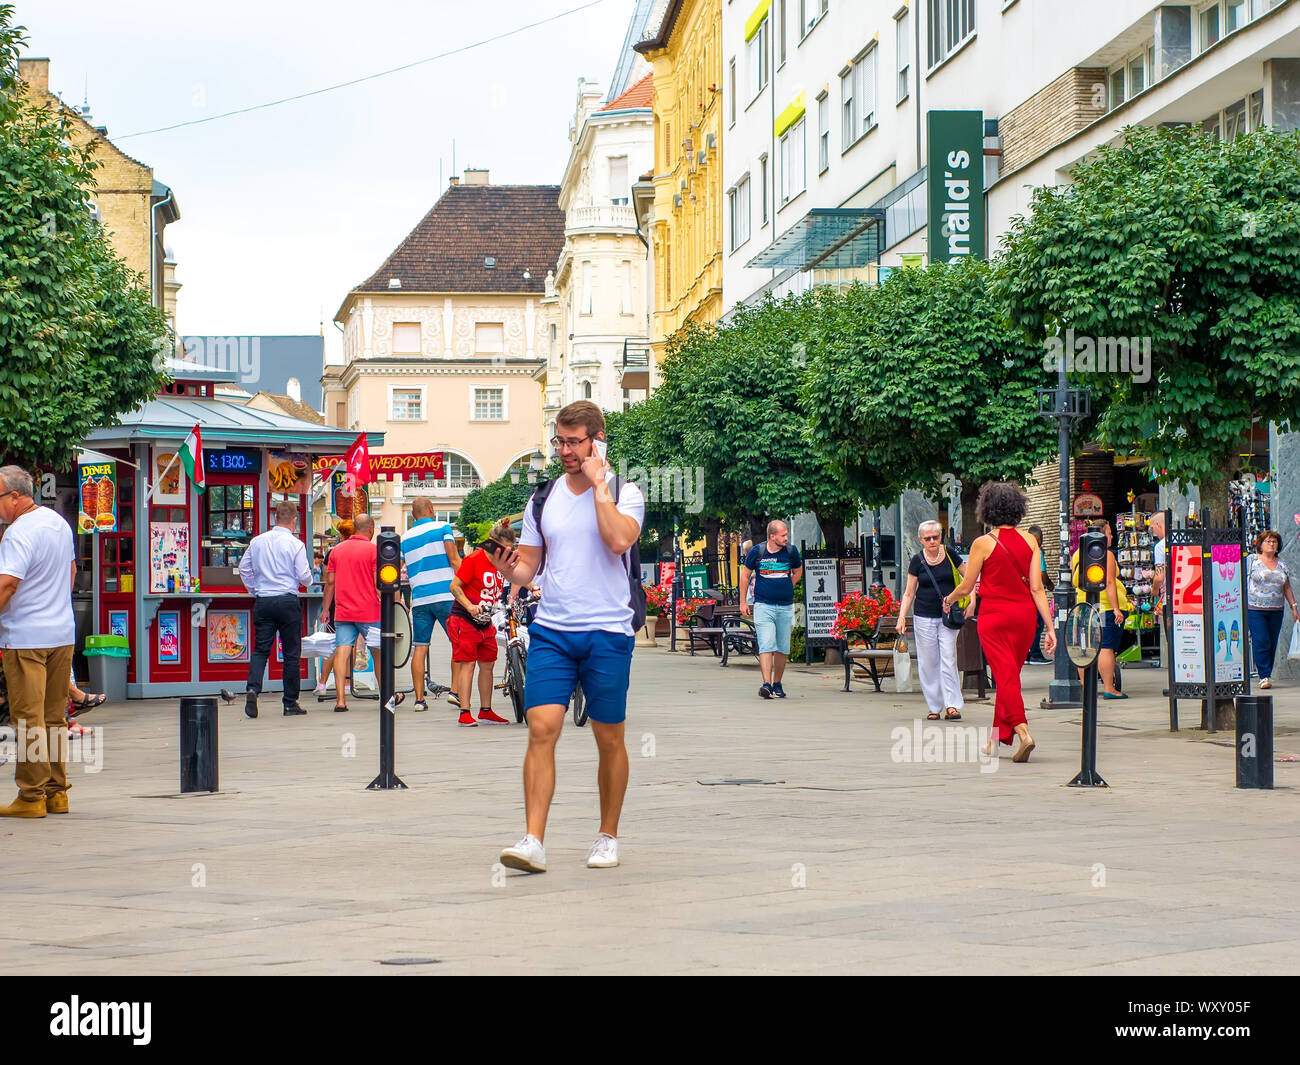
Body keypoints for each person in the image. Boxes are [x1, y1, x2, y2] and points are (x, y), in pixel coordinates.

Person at [493, 400, 646, 873]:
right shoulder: (542, 498)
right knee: (541, 728)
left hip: (608, 630)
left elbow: (619, 540)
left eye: (574, 441)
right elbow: (529, 565)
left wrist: (600, 486)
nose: (564, 450)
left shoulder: (627, 491)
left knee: (608, 737)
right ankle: (533, 840)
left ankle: (607, 835)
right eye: (559, 440)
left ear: (598, 441)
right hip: (553, 629)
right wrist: (506, 566)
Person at [943, 482, 1057, 763]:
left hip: (994, 617)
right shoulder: (1031, 542)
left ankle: (1023, 732)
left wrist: (949, 598)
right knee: (1009, 677)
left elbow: (968, 584)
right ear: (1018, 509)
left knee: (1006, 678)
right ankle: (994, 742)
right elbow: (1037, 589)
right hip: (1025, 618)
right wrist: (1051, 626)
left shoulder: (983, 544)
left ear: (987, 509)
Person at [0, 466, 77, 816]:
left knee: (28, 718)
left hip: (26, 636)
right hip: (62, 632)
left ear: (15, 496)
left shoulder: (18, 533)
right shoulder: (58, 523)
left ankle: (31, 797)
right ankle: (57, 792)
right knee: (53, 718)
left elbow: (7, 584)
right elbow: (72, 572)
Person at [238, 500, 312, 718]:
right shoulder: (295, 544)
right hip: (287, 600)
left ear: (274, 518)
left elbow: (244, 569)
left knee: (261, 649)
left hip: (264, 601)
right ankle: (290, 703)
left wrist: (256, 589)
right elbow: (305, 578)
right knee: (291, 653)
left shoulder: (257, 542)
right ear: (294, 520)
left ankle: (253, 689)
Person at [897, 520, 966, 721]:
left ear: (941, 536)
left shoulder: (950, 554)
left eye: (935, 537)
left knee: (948, 658)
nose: (932, 541)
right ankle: (934, 706)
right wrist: (902, 616)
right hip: (923, 616)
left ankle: (952, 705)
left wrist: (968, 600)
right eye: (928, 538)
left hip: (948, 616)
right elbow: (909, 593)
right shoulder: (917, 561)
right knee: (928, 662)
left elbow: (968, 576)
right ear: (921, 540)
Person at [447, 525, 512, 726]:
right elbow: (454, 586)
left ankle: (486, 710)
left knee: (488, 664)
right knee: (468, 664)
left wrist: (535, 587)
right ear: (494, 545)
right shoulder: (475, 559)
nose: (507, 554)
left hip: (486, 621)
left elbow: (517, 576)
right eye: (505, 549)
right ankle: (465, 712)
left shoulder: (503, 562)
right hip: (465, 619)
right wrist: (469, 606)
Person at [401, 497, 461, 712]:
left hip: (420, 598)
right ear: (431, 509)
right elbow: (454, 559)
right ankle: (455, 692)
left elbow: (398, 567)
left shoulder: (405, 537)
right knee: (459, 643)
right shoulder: (442, 527)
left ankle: (419, 700)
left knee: (420, 646)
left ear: (414, 514)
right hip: (446, 595)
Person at [320, 514, 379, 714]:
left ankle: (340, 700)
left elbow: (330, 583)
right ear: (370, 529)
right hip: (369, 610)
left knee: (342, 651)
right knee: (378, 652)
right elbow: (378, 583)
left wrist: (326, 609)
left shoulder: (337, 550)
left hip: (343, 610)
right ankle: (386, 695)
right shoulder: (374, 550)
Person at [739, 520, 803, 699]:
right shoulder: (757, 552)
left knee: (782, 647)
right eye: (783, 535)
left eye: (786, 534)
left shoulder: (791, 552)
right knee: (766, 644)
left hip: (785, 606)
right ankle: (766, 684)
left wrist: (787, 585)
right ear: (772, 536)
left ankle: (777, 683)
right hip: (763, 605)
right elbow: (745, 576)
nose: (786, 538)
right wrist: (743, 602)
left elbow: (798, 571)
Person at [1070, 519, 1127, 699]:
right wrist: (1117, 609)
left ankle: (1085, 688)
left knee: (1085, 646)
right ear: (1101, 534)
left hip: (1084, 606)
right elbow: (1109, 582)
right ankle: (1109, 688)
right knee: (1105, 646)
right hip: (1104, 606)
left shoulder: (1077, 554)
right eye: (1109, 533)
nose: (1111, 536)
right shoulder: (1106, 554)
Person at [1246, 529, 1299, 690]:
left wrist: (1294, 607)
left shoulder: (1281, 564)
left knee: (1272, 641)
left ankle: (1266, 672)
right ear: (1260, 545)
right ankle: (1264, 675)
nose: (1271, 544)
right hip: (1255, 608)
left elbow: (1287, 587)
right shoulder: (1252, 560)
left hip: (1276, 608)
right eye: (1268, 541)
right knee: (1261, 640)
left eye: (1274, 542)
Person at [1024, 525, 1052, 664]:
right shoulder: (1037, 552)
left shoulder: (1026, 551)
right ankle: (1035, 653)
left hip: (1027, 593)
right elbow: (1042, 574)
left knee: (1032, 624)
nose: (1042, 541)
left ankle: (1028, 653)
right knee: (1038, 624)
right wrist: (1050, 584)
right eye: (1041, 538)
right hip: (1036, 593)